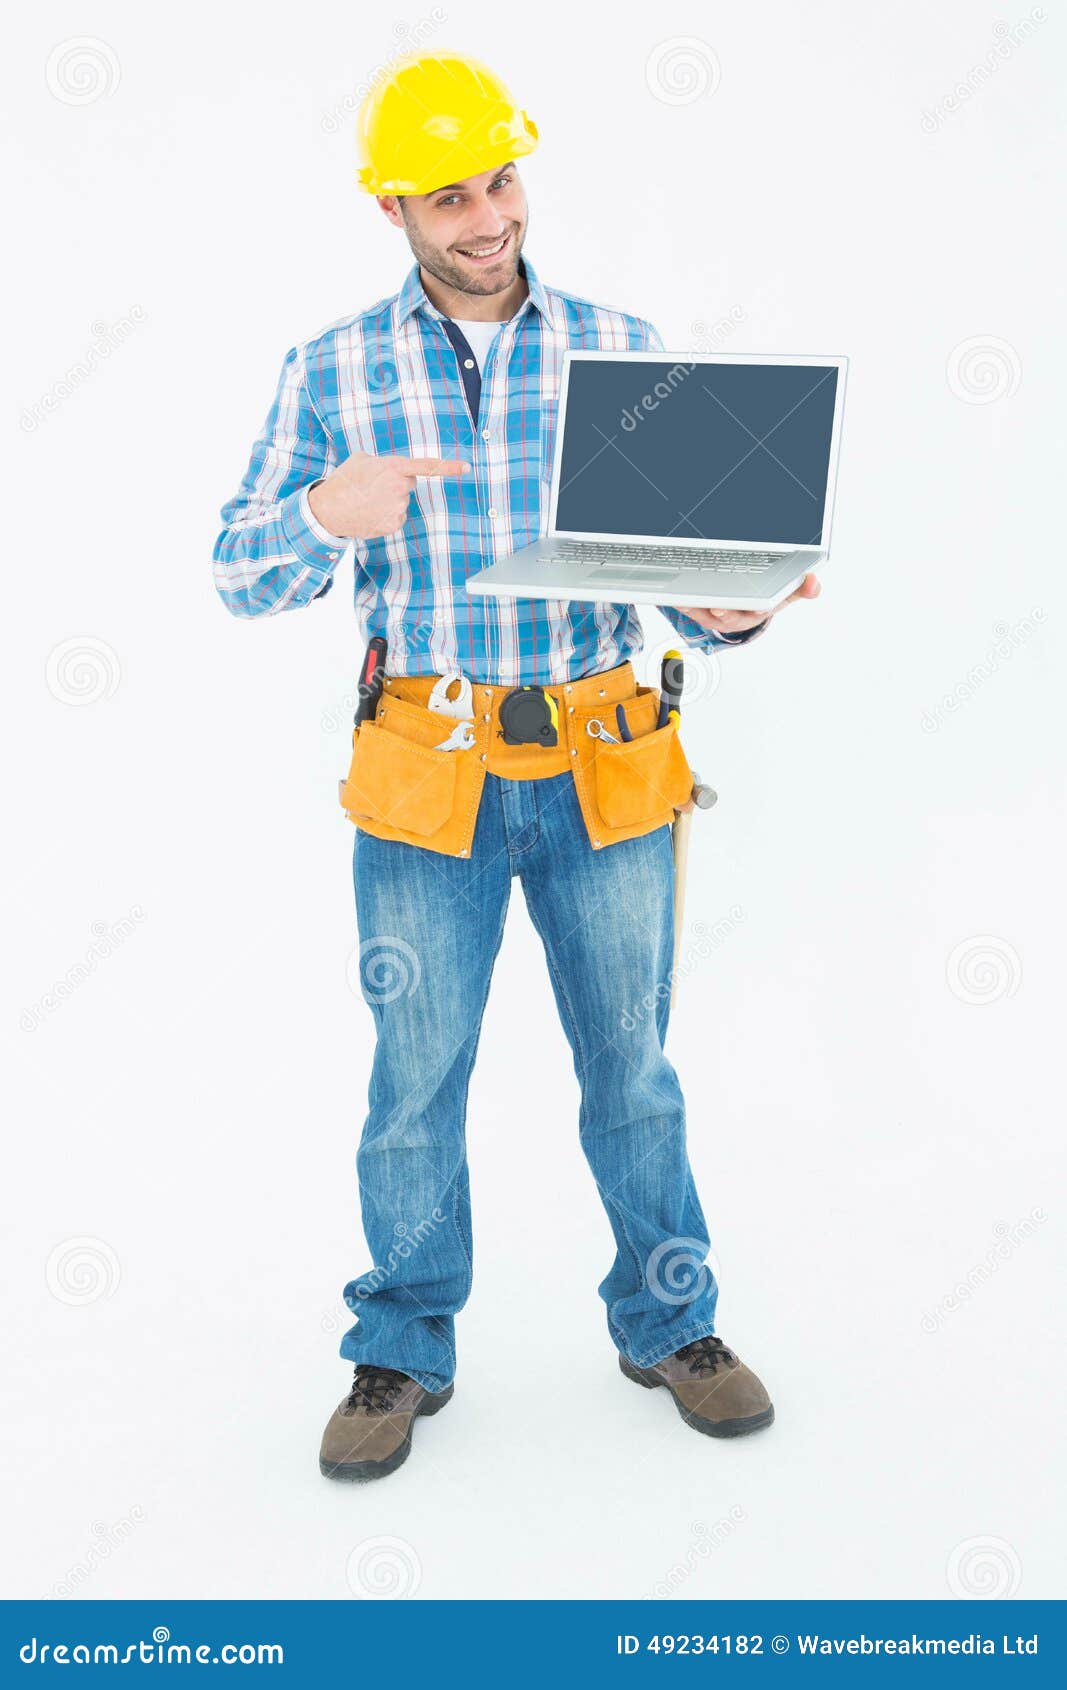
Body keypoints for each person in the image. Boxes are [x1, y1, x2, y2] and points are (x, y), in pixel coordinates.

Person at [213, 52, 818, 1483]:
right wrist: (325, 507)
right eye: (449, 196)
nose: (486, 217)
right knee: (415, 1077)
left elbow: (683, 577)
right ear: (393, 208)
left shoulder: (619, 346)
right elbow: (239, 572)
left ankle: (672, 1322)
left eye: (500, 181)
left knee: (635, 1068)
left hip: (607, 763)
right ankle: (403, 1344)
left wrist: (727, 611)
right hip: (428, 777)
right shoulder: (333, 369)